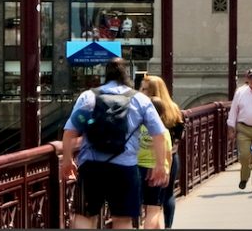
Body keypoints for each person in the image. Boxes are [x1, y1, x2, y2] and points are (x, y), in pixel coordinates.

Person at [60, 57, 170, 231]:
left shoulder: (88, 96)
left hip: (91, 166)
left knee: (84, 216)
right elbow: (159, 134)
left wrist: (67, 160)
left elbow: (69, 132)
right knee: (122, 219)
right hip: (125, 168)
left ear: (106, 73)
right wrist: (160, 164)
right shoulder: (140, 99)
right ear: (127, 74)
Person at [134, 74, 185, 230]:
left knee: (149, 202)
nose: (140, 91)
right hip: (169, 157)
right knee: (167, 195)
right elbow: (180, 134)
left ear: (152, 91)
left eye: (144, 89)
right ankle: (167, 225)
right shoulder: (173, 108)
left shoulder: (142, 110)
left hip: (145, 160)